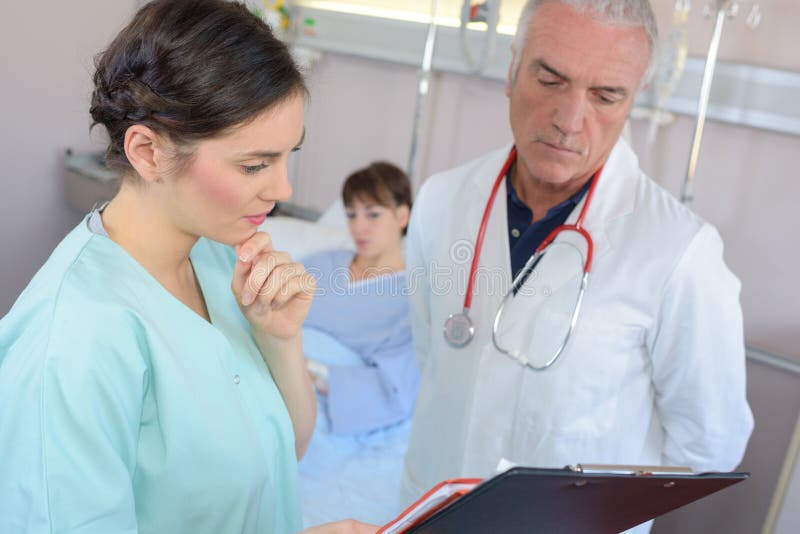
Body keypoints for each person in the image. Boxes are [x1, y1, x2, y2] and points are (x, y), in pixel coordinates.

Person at [0, 1, 374, 533]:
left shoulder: (218, 255)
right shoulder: (76, 343)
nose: (283, 190)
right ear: (148, 153)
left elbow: (281, 450)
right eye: (254, 165)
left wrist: (280, 339)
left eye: (289, 156)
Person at [401, 1, 754, 529]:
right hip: (430, 509)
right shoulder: (441, 201)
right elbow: (434, 357)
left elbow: (709, 444)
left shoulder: (680, 253)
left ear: (632, 100)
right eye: (549, 80)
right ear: (512, 71)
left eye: (605, 95)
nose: (569, 120)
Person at [302, 162, 419, 435]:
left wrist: (315, 374)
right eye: (352, 215)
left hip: (329, 401)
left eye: (372, 215)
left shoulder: (410, 301)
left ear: (402, 216)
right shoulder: (321, 264)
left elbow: (396, 387)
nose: (359, 227)